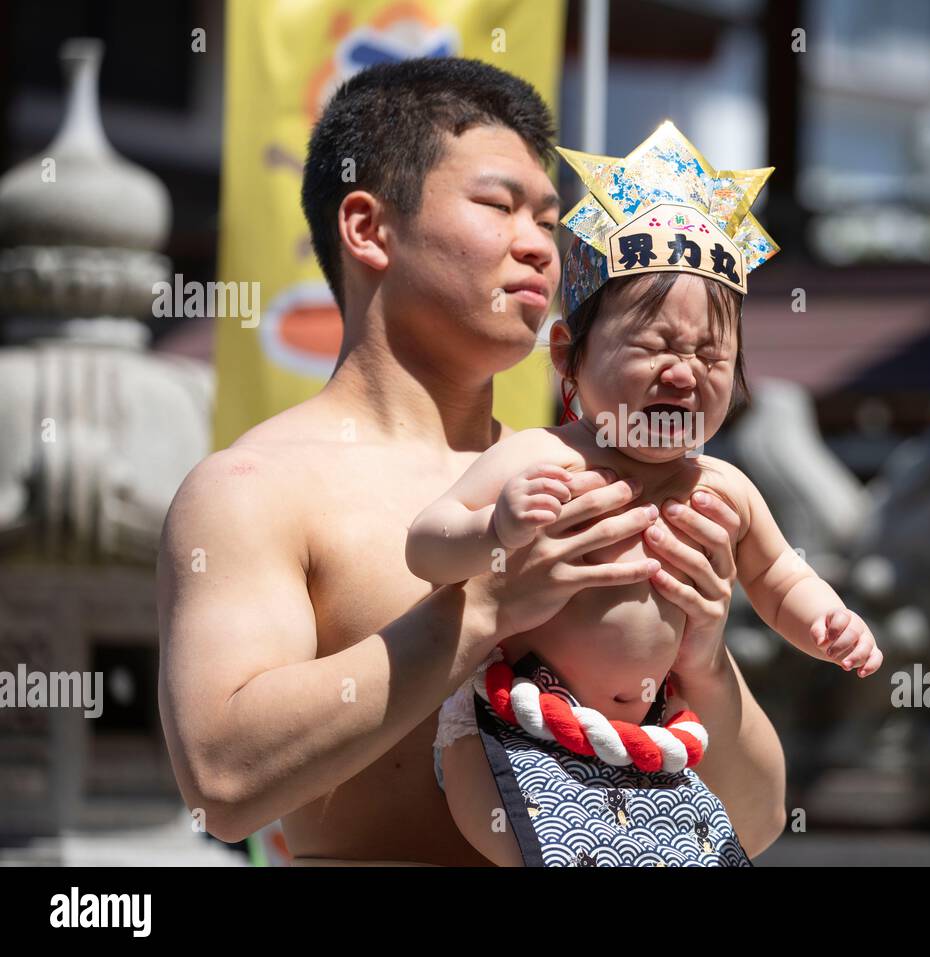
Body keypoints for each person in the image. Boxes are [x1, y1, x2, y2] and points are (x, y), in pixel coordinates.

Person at [156, 58, 787, 865]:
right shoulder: (258, 487)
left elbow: (758, 820)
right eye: (499, 206)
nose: (539, 248)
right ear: (367, 226)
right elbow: (222, 778)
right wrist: (483, 607)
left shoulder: (605, 477)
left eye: (549, 219)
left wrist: (704, 659)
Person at [407, 121, 882, 867]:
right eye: (653, 346)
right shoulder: (539, 458)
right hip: (514, 721)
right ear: (568, 355)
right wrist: (494, 528)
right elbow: (427, 542)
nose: (683, 372)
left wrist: (828, 623)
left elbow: (779, 575)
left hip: (651, 746)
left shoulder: (724, 486)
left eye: (709, 354)